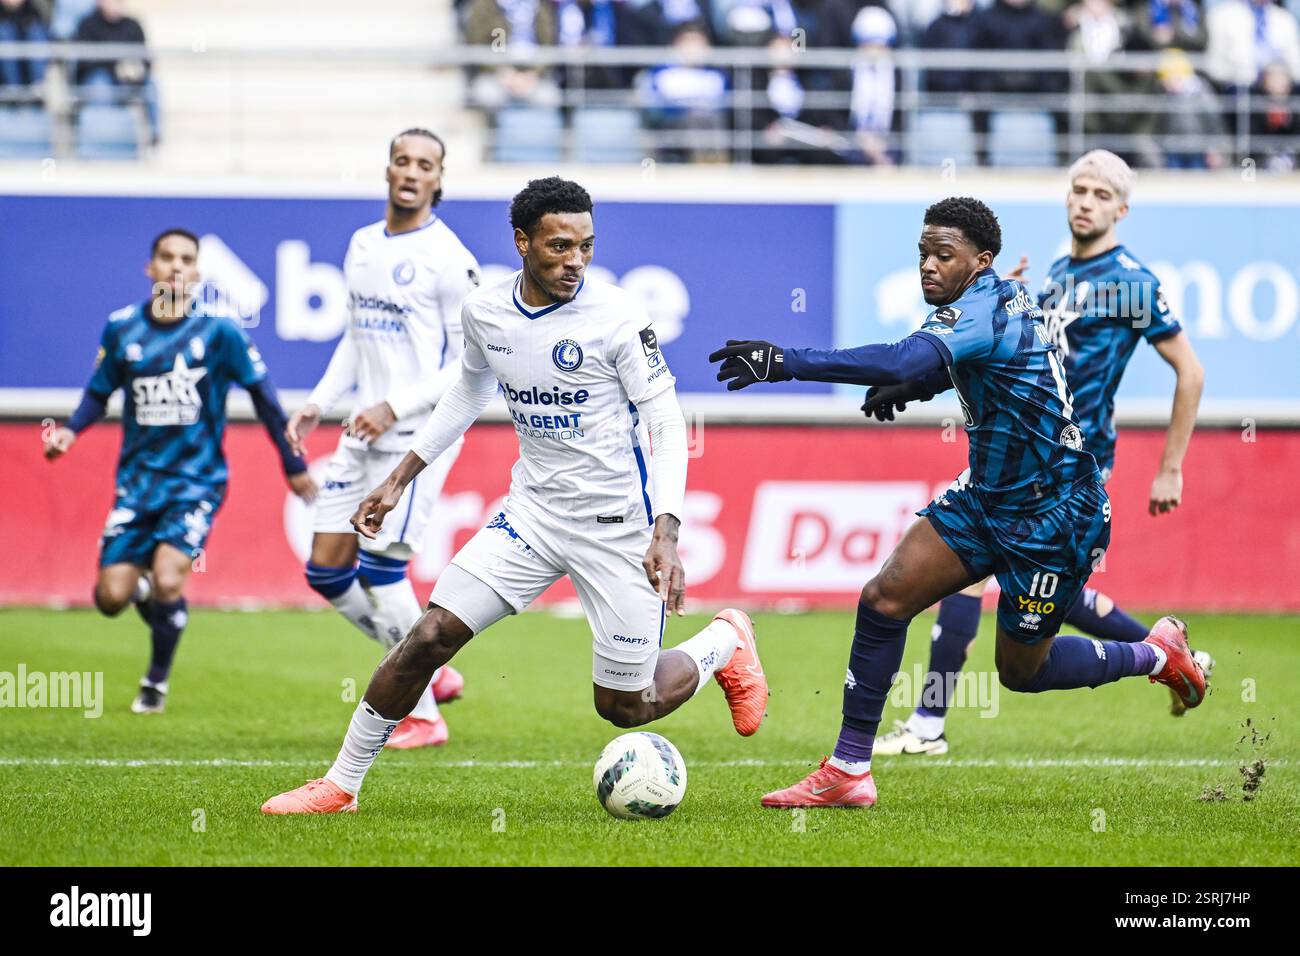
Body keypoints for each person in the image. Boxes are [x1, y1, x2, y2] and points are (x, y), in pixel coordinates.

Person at [262, 177, 768, 814]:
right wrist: (397, 479)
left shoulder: (618, 316)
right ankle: (340, 785)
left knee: (624, 708)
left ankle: (724, 642)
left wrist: (665, 530)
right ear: (522, 241)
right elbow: (468, 395)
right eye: (559, 246)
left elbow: (664, 421)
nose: (574, 261)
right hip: (530, 516)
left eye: (586, 246)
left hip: (618, 527)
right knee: (429, 635)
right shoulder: (486, 312)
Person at [709, 196, 1208, 808]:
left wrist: (784, 361)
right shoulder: (993, 300)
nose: (927, 266)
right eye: (923, 253)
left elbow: (904, 355)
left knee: (1022, 673)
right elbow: (962, 365)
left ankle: (1155, 655)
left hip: (1056, 516)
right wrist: (913, 387)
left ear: (981, 261)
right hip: (987, 499)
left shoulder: (980, 306)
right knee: (884, 599)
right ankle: (848, 770)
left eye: (944, 255)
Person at [870, 151, 1210, 757]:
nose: (1085, 201)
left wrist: (1170, 466)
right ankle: (1170, 655)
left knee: (991, 582)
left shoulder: (1132, 282)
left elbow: (1190, 370)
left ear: (1121, 209)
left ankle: (929, 722)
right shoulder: (1054, 275)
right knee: (1030, 590)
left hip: (1071, 464)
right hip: (1019, 450)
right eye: (1078, 189)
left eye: (1101, 195)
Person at [44, 229, 315, 714]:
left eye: (185, 260)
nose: (175, 267)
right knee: (110, 598)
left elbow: (265, 399)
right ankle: (150, 594)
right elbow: (97, 392)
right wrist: (69, 431)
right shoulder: (122, 327)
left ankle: (155, 683)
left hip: (196, 482)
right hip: (136, 486)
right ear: (150, 268)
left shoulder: (220, 331)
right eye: (166, 258)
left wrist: (293, 464)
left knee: (171, 578)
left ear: (197, 274)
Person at [286, 129, 479, 750]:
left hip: (416, 437)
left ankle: (422, 714)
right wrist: (321, 399)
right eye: (402, 160)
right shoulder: (363, 244)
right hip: (359, 430)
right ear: (388, 170)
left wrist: (393, 404)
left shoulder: (449, 258)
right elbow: (355, 334)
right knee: (326, 569)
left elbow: (468, 364)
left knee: (380, 569)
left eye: (425, 165)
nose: (411, 172)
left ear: (438, 180)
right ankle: (431, 667)